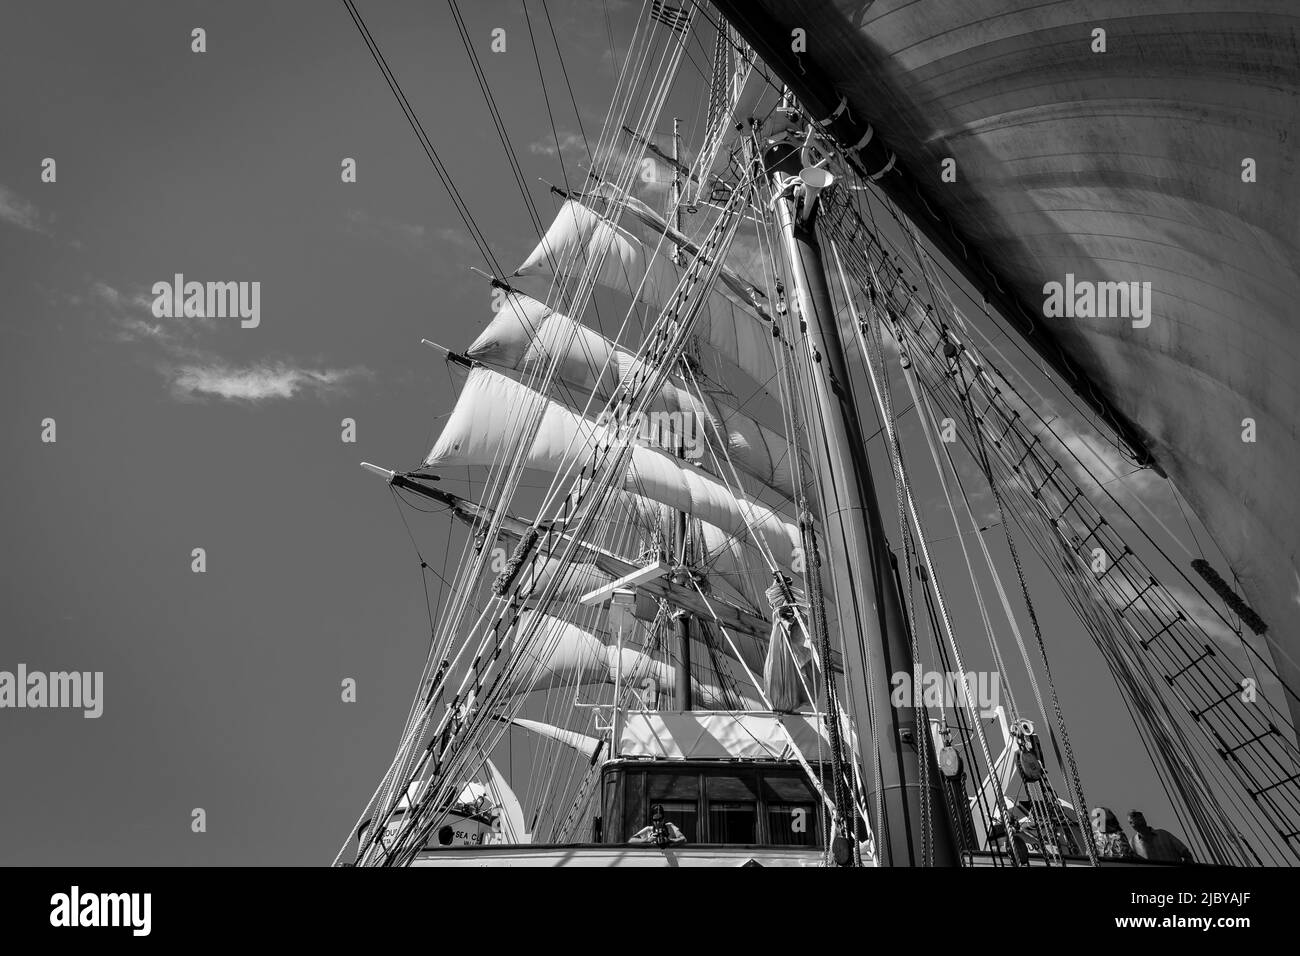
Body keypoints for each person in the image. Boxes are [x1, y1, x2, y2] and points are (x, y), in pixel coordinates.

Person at [1128, 810, 1195, 864]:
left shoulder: (1163, 834)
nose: (1138, 821)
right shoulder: (1132, 843)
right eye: (1133, 820)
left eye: (1139, 817)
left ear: (1144, 819)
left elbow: (1184, 852)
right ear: (1131, 825)